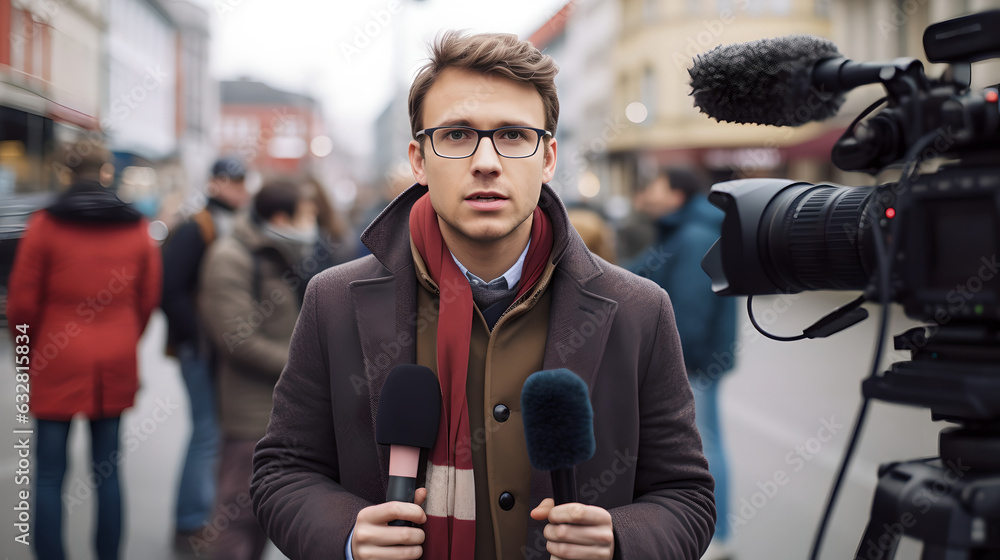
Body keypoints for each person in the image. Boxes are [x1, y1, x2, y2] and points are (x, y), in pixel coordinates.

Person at [251, 32, 715, 560]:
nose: (487, 162)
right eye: (456, 135)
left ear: (548, 159)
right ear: (419, 160)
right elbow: (282, 472)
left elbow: (687, 497)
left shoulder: (639, 309)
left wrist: (620, 539)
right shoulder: (333, 300)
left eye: (515, 135)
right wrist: (350, 536)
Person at [7, 140, 162, 560]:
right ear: (107, 173)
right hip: (113, 359)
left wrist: (26, 356)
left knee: (48, 474)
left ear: (64, 174)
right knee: (107, 470)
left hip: (55, 357)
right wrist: (126, 339)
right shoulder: (136, 228)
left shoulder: (44, 226)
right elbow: (148, 299)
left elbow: (21, 303)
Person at [195, 179, 318, 559]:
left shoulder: (282, 252)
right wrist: (307, 366)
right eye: (307, 214)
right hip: (250, 412)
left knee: (266, 513)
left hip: (283, 408)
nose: (312, 223)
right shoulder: (231, 256)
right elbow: (238, 339)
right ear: (281, 217)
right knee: (237, 516)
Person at [627, 166, 737, 560]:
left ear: (676, 193)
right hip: (700, 358)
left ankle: (716, 536)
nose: (646, 194)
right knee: (708, 442)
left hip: (693, 361)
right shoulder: (683, 231)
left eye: (654, 185)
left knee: (702, 448)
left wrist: (676, 364)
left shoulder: (693, 236)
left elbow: (690, 310)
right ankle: (719, 533)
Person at [160, 156, 250, 551]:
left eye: (243, 181)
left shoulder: (227, 221)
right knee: (208, 433)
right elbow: (170, 287)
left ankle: (199, 517)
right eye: (232, 181)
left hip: (210, 346)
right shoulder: (198, 226)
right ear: (215, 183)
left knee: (213, 432)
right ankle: (190, 522)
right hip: (199, 347)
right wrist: (194, 336)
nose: (240, 188)